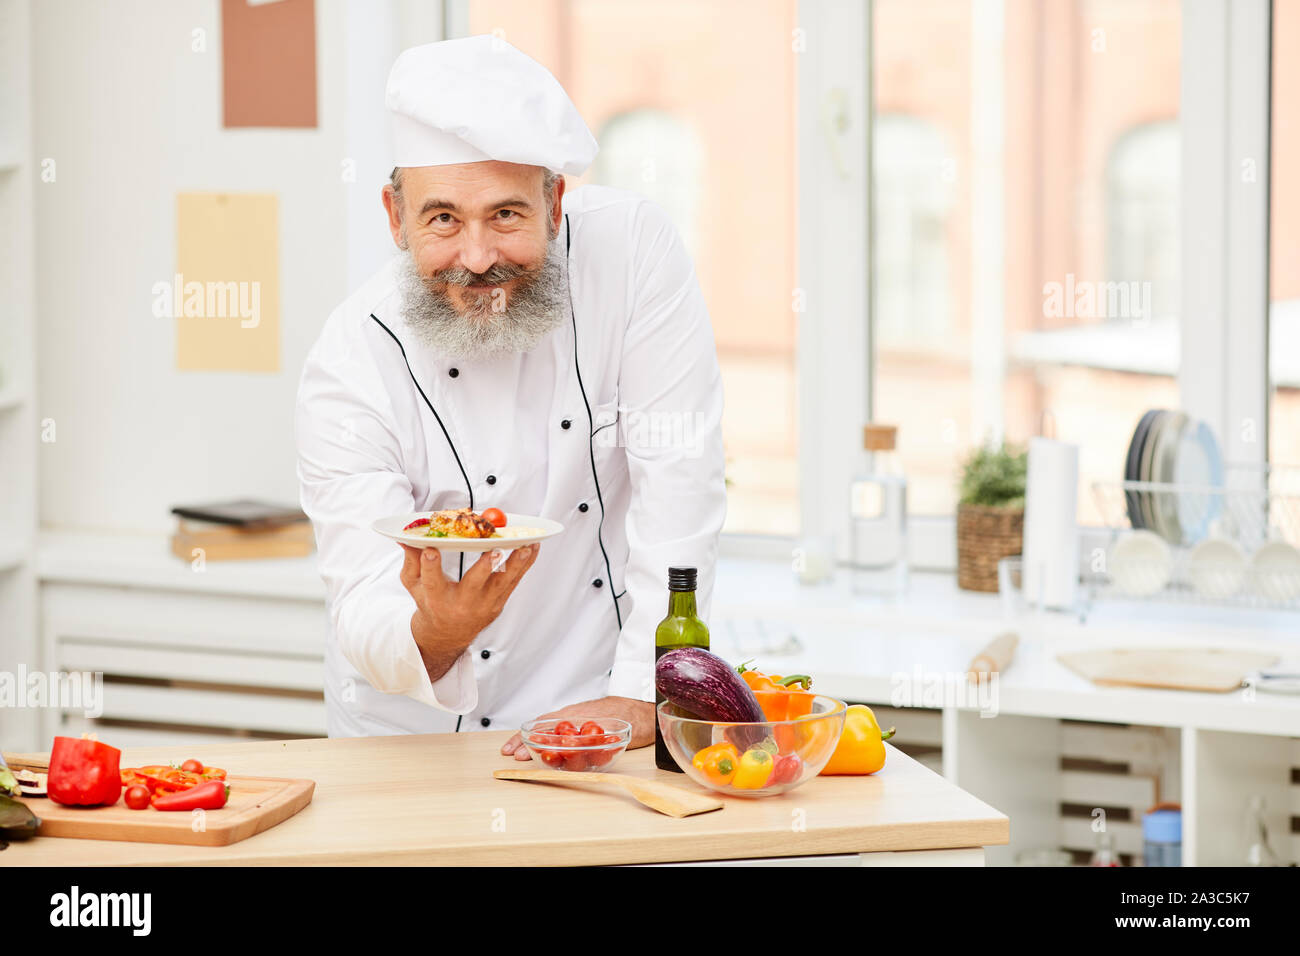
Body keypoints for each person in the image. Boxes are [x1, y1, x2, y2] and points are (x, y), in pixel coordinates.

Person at [294, 35, 727, 756]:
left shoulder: (632, 255)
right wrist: (438, 630)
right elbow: (362, 595)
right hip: (414, 743)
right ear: (394, 218)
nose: (477, 257)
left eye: (506, 215)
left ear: (555, 203)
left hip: (599, 707)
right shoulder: (352, 359)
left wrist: (644, 694)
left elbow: (679, 483)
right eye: (442, 219)